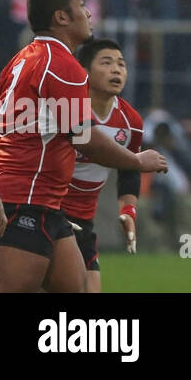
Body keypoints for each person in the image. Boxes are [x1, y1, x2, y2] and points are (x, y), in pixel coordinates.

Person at [0, 0, 167, 294]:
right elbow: (83, 137)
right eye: (82, 4)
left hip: (45, 203)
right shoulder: (61, 65)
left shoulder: (21, 60)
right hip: (25, 200)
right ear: (61, 17)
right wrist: (136, 160)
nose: (89, 12)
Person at [59, 38, 143, 293]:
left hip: (84, 221)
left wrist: (128, 211)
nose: (116, 69)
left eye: (121, 64)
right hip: (50, 215)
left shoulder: (131, 122)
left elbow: (129, 170)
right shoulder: (67, 111)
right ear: (84, 72)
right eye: (106, 63)